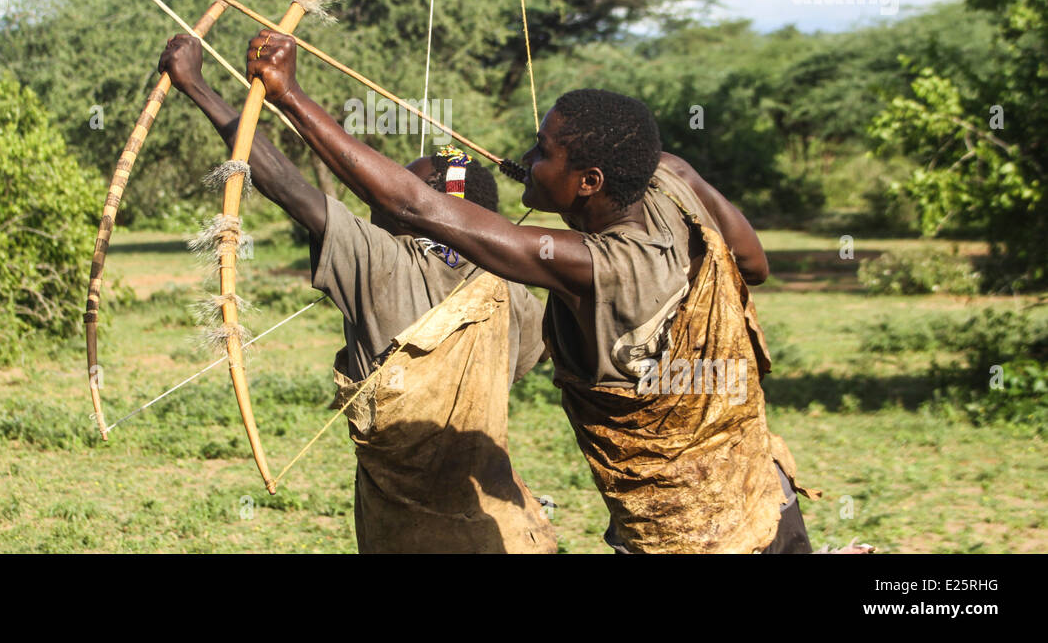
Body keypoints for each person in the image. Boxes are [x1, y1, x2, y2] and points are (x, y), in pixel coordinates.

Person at [244, 28, 820, 554]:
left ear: (590, 182)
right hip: (768, 494)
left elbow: (414, 206)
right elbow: (754, 262)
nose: (527, 160)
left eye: (544, 152)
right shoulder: (671, 176)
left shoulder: (594, 266)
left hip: (693, 536)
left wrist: (290, 95)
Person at [158, 34, 557, 553]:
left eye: (399, 191)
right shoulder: (510, 290)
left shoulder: (385, 261)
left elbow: (284, 181)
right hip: (509, 532)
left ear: (425, 209)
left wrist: (198, 86)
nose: (379, 198)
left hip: (414, 540)